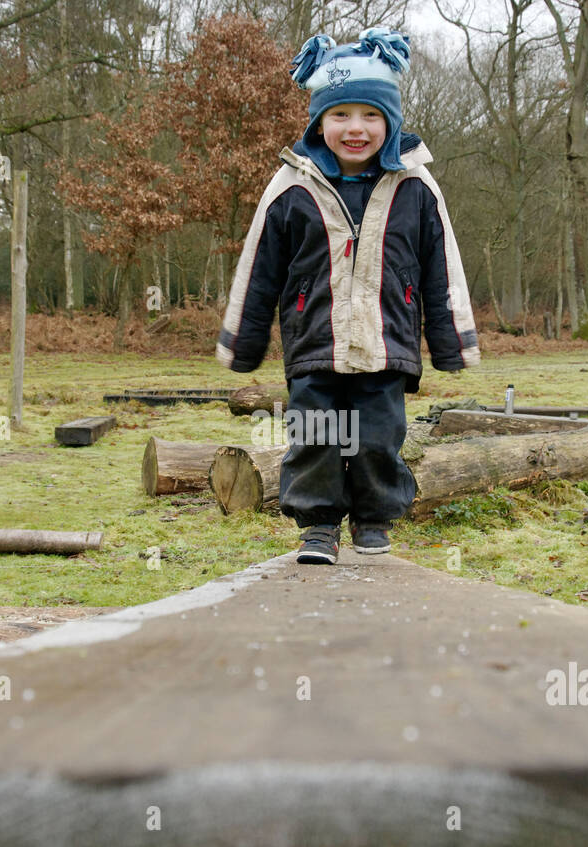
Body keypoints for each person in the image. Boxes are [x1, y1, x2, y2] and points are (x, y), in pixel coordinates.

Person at [216, 27, 479, 564]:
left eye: (370, 115)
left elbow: (442, 267)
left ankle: (373, 519)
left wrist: (451, 345)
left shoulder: (416, 186)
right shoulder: (292, 185)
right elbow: (258, 268)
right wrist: (243, 344)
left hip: (387, 345)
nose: (355, 128)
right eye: (340, 115)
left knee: (378, 439)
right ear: (319, 121)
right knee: (314, 437)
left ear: (390, 121)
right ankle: (317, 526)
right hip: (314, 343)